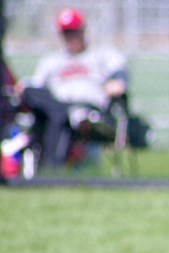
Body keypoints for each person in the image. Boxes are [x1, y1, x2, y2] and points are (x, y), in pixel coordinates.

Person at [16, 7, 128, 168]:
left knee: (61, 115)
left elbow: (119, 79)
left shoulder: (102, 55)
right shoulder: (52, 61)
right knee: (31, 93)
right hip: (55, 107)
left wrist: (116, 82)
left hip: (88, 109)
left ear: (83, 30)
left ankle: (52, 167)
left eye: (74, 31)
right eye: (66, 33)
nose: (70, 37)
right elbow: (37, 86)